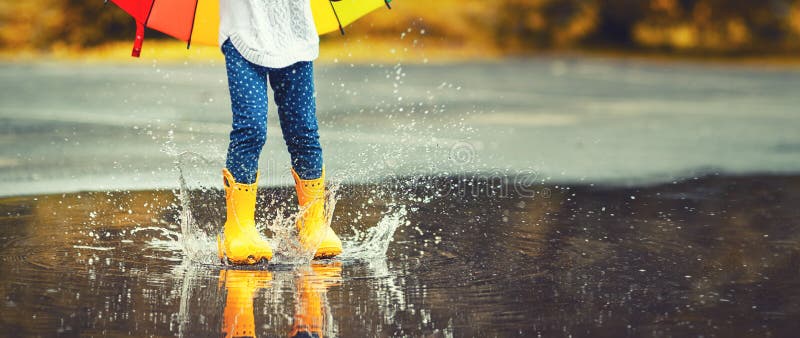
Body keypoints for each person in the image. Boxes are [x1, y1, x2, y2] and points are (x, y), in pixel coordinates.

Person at [215, 0, 342, 265]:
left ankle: (313, 224)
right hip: (243, 34)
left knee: (304, 132)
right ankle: (238, 227)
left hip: (294, 36)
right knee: (250, 128)